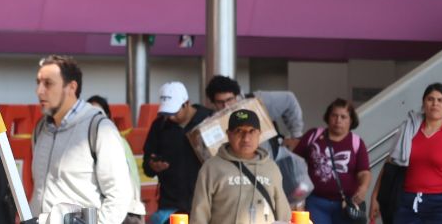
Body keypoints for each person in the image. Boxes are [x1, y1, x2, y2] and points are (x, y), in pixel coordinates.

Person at [31, 55, 144, 224]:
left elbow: (118, 195)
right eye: (38, 82)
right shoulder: (41, 129)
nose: (39, 91)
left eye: (48, 83)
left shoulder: (99, 128)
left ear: (71, 87)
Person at [368, 83, 442, 224]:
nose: (435, 103)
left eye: (440, 100)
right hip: (407, 203)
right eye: (430, 99)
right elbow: (389, 166)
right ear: (423, 105)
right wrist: (375, 196)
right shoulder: (408, 132)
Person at [190, 108, 291, 224]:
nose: (246, 138)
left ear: (260, 134)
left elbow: (282, 213)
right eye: (239, 131)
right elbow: (199, 214)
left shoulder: (271, 168)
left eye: (252, 131)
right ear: (228, 134)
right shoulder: (211, 168)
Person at [143, 81, 212, 224]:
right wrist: (153, 166)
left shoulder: (209, 120)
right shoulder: (159, 126)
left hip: (206, 204)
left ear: (187, 103)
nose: (170, 117)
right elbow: (147, 166)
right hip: (172, 206)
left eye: (174, 112)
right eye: (166, 113)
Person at [295, 99, 370, 224]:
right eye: (334, 115)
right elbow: (293, 163)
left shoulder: (356, 143)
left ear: (351, 120)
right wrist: (297, 198)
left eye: (343, 117)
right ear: (328, 117)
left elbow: (364, 172)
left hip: (346, 205)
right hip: (316, 202)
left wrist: (363, 187)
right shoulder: (313, 136)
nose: (338, 120)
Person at [205, 75, 304, 150]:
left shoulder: (256, 101)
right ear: (213, 102)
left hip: (271, 161)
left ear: (237, 96)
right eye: (220, 102)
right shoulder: (212, 123)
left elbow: (289, 100)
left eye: (229, 100)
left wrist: (296, 136)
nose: (225, 106)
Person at [86, 95, 144, 206]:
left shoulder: (117, 141)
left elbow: (131, 180)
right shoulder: (85, 145)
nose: (93, 120)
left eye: (98, 115)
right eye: (89, 116)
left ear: (107, 117)